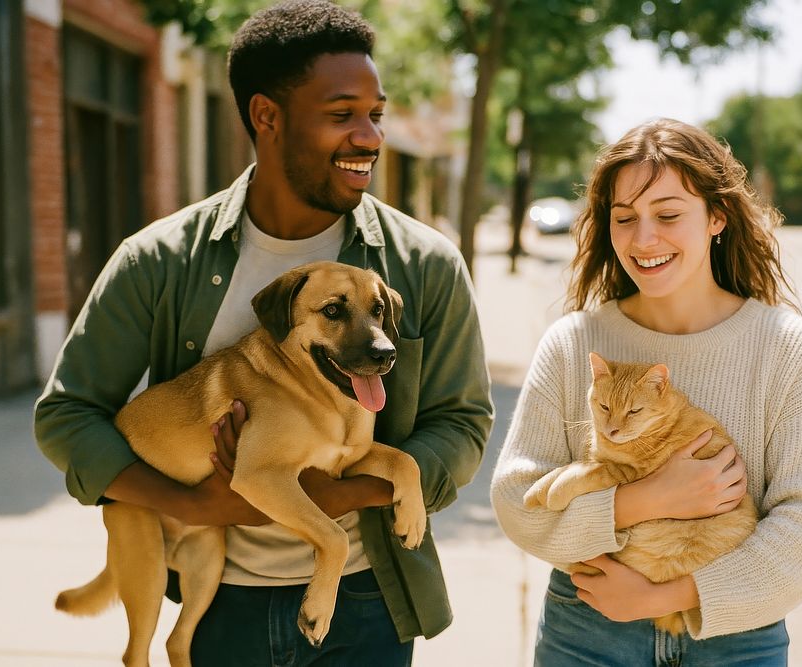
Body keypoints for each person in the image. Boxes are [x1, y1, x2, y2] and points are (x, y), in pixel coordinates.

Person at [34, 1, 493, 665]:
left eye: (376, 114)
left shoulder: (423, 264)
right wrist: (194, 502)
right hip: (221, 603)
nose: (369, 136)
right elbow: (66, 417)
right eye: (342, 115)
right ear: (267, 117)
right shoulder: (159, 259)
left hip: (367, 601)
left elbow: (463, 423)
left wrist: (345, 492)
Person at [490, 118, 802, 666]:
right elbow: (518, 505)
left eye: (669, 214)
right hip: (589, 627)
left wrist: (672, 596)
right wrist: (642, 500)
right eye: (624, 218)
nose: (644, 238)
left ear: (717, 217)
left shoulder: (785, 349)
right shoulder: (574, 344)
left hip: (735, 636)